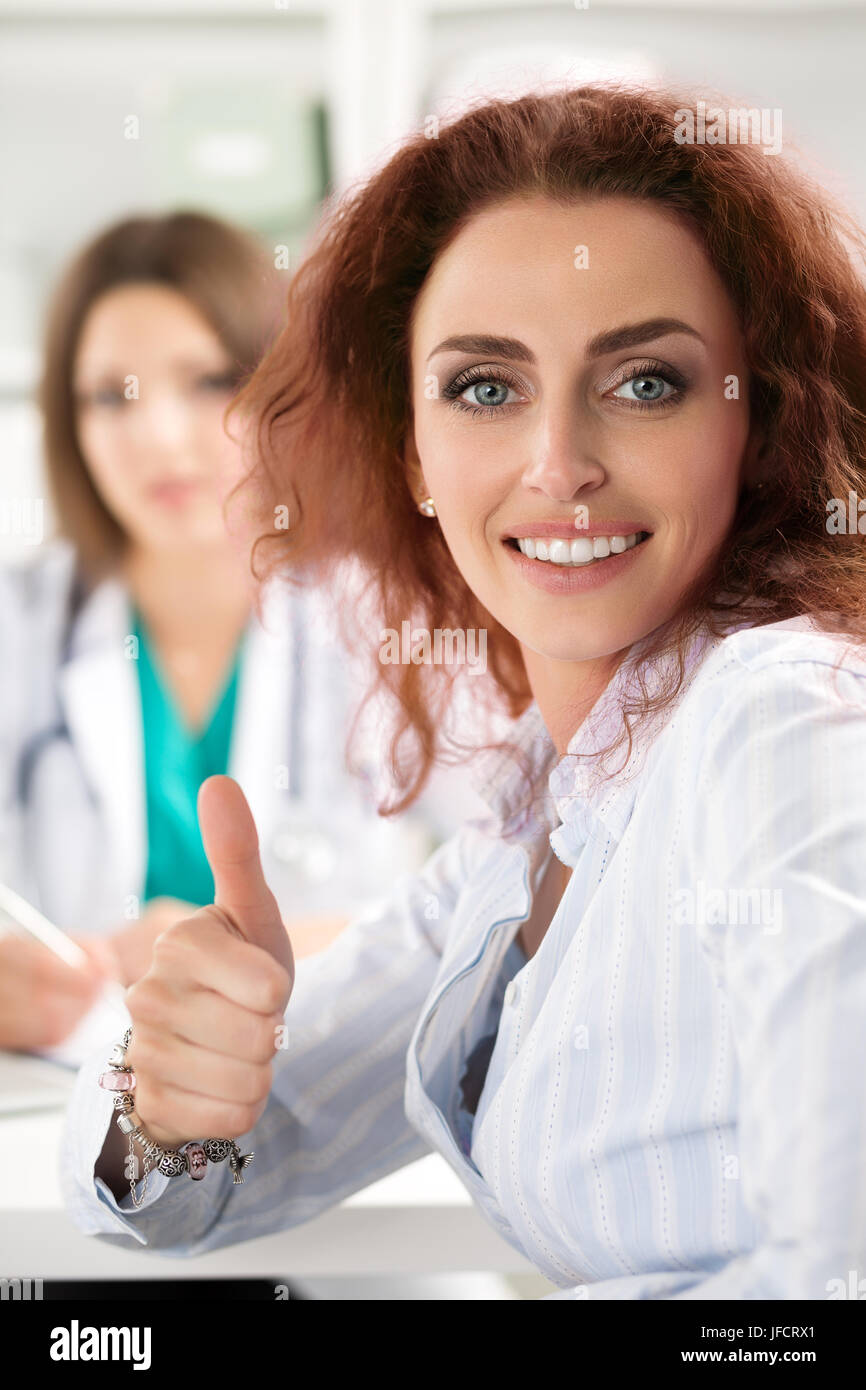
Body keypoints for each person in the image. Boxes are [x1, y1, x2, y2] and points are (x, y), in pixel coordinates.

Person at [61, 83, 866, 1299]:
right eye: (484, 387)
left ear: (758, 424)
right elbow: (205, 1179)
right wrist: (167, 1087)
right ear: (412, 455)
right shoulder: (544, 814)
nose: (560, 466)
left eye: (645, 380)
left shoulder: (777, 716)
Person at [0, 210, 483, 1054]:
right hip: (59, 1110)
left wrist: (286, 951)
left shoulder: (386, 618)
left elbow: (519, 882)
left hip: (313, 1083)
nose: (158, 437)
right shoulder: (22, 623)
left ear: (282, 392)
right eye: (113, 396)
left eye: (210, 381)